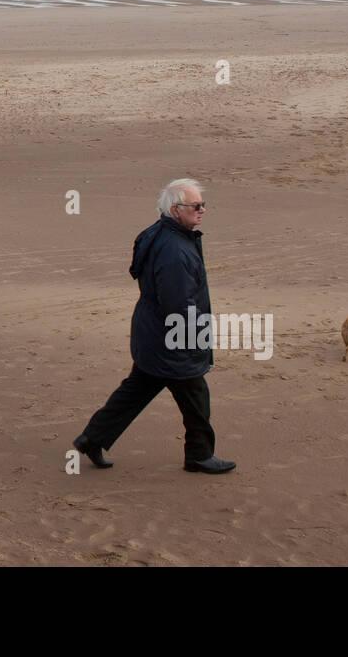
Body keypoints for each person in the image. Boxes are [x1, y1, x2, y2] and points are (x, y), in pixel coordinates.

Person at [72, 179, 236, 475]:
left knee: (136, 390)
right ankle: (199, 456)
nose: (202, 210)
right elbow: (178, 302)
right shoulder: (174, 250)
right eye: (195, 206)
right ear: (175, 210)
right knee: (196, 398)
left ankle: (92, 438)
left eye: (203, 204)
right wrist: (193, 342)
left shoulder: (162, 234)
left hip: (154, 335)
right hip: (172, 339)